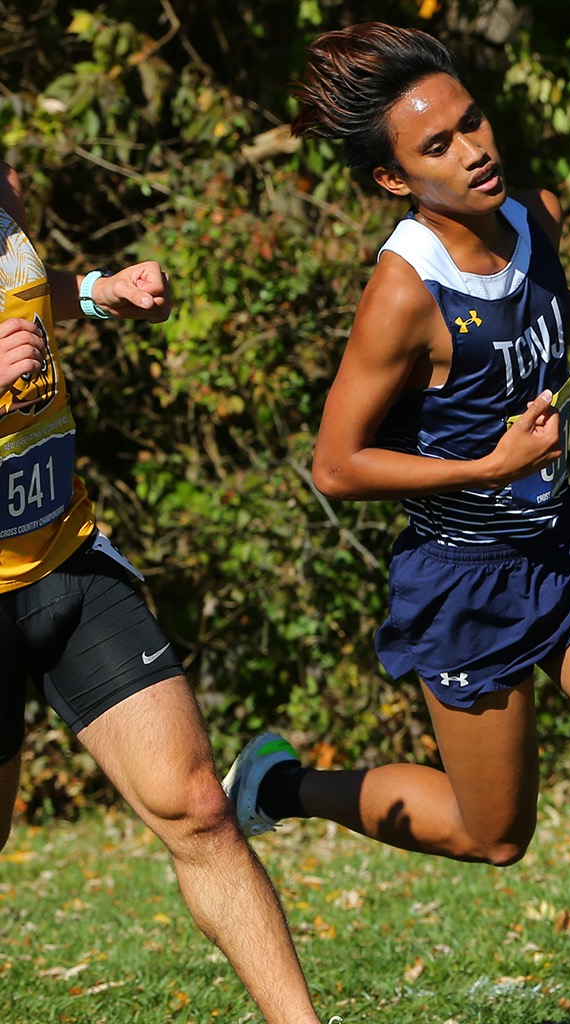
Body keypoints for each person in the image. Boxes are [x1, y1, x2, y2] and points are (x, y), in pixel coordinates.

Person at [220, 23, 570, 1024]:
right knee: (493, 836)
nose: (473, 148)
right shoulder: (404, 292)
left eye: (471, 122)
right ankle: (284, 788)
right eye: (436, 147)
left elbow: (551, 306)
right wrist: (490, 463)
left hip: (560, 549)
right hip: (463, 580)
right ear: (395, 181)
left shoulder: (525, 215)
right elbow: (335, 463)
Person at [0, 161, 323, 1024]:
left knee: (199, 807)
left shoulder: (4, 191)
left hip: (65, 558)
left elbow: (25, 292)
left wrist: (100, 292)